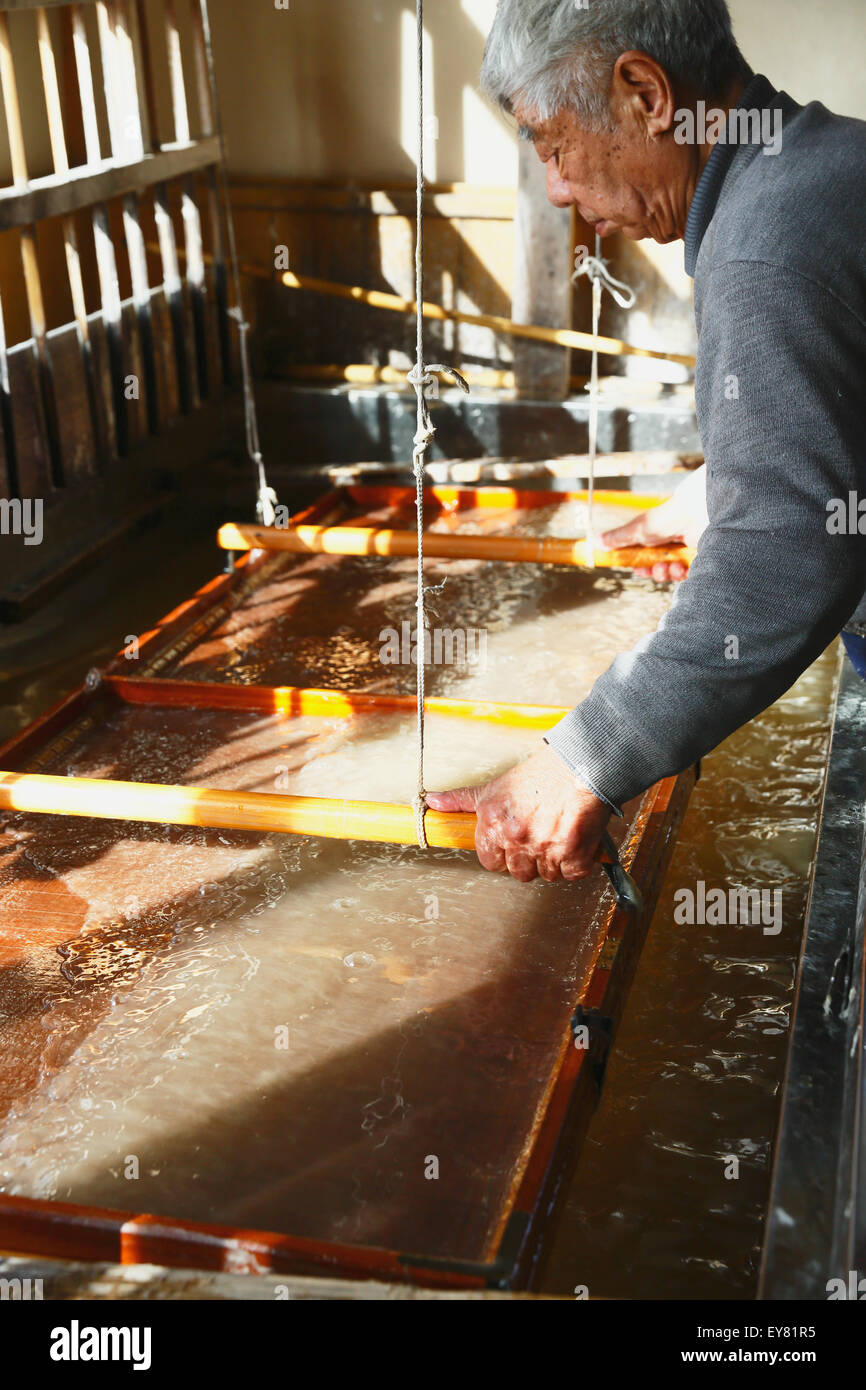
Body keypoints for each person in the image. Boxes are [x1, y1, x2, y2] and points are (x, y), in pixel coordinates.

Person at [426, 0, 866, 883]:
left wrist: (582, 759)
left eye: (552, 145)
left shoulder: (760, 249)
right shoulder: (828, 159)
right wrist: (710, 496)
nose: (554, 187)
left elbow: (784, 557)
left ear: (645, 93)